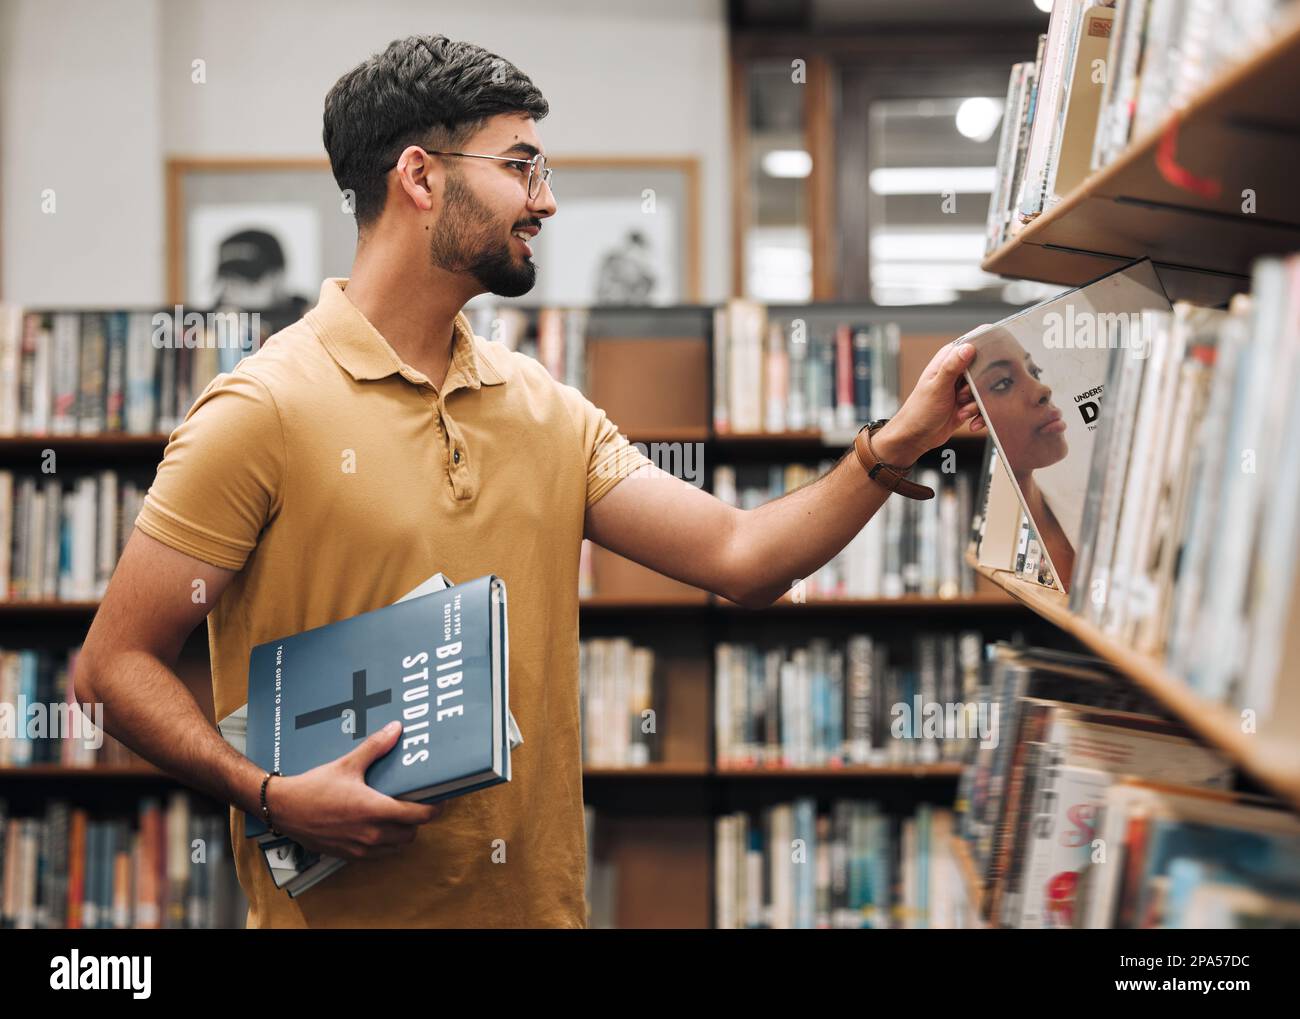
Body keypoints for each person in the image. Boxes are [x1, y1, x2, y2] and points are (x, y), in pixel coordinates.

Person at [73, 34, 985, 929]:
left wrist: (894, 445)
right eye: (521, 165)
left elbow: (744, 559)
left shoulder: (545, 408)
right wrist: (268, 792)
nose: (545, 201)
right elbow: (112, 667)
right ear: (421, 177)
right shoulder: (262, 407)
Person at [967, 331, 1074, 588]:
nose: (1043, 390)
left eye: (1034, 371)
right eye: (1003, 383)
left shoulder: (1087, 510)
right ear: (973, 412)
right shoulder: (997, 540)